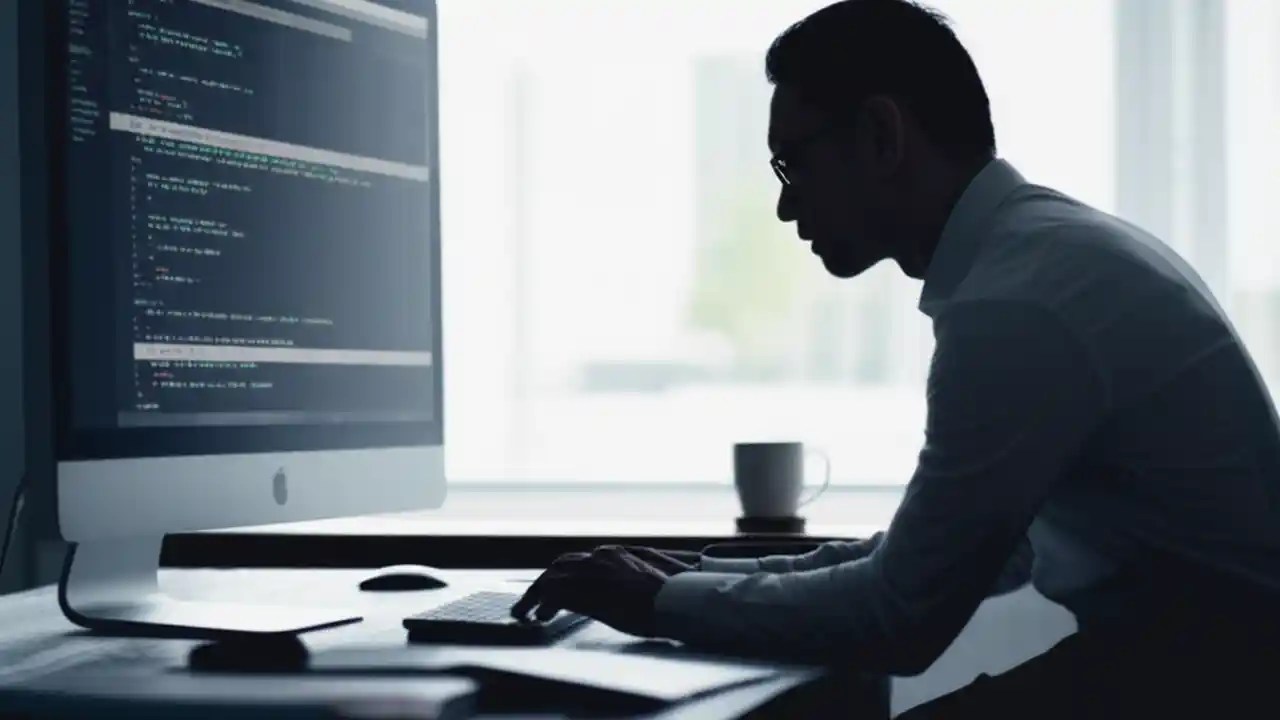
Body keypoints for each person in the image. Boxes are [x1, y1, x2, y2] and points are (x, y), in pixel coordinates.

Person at [513, 0, 1280, 715]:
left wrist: (655, 601)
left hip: (1210, 686)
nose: (785, 204)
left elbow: (899, 617)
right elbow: (960, 551)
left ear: (882, 134)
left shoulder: (1016, 306)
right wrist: (696, 578)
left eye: (792, 164)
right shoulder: (1049, 256)